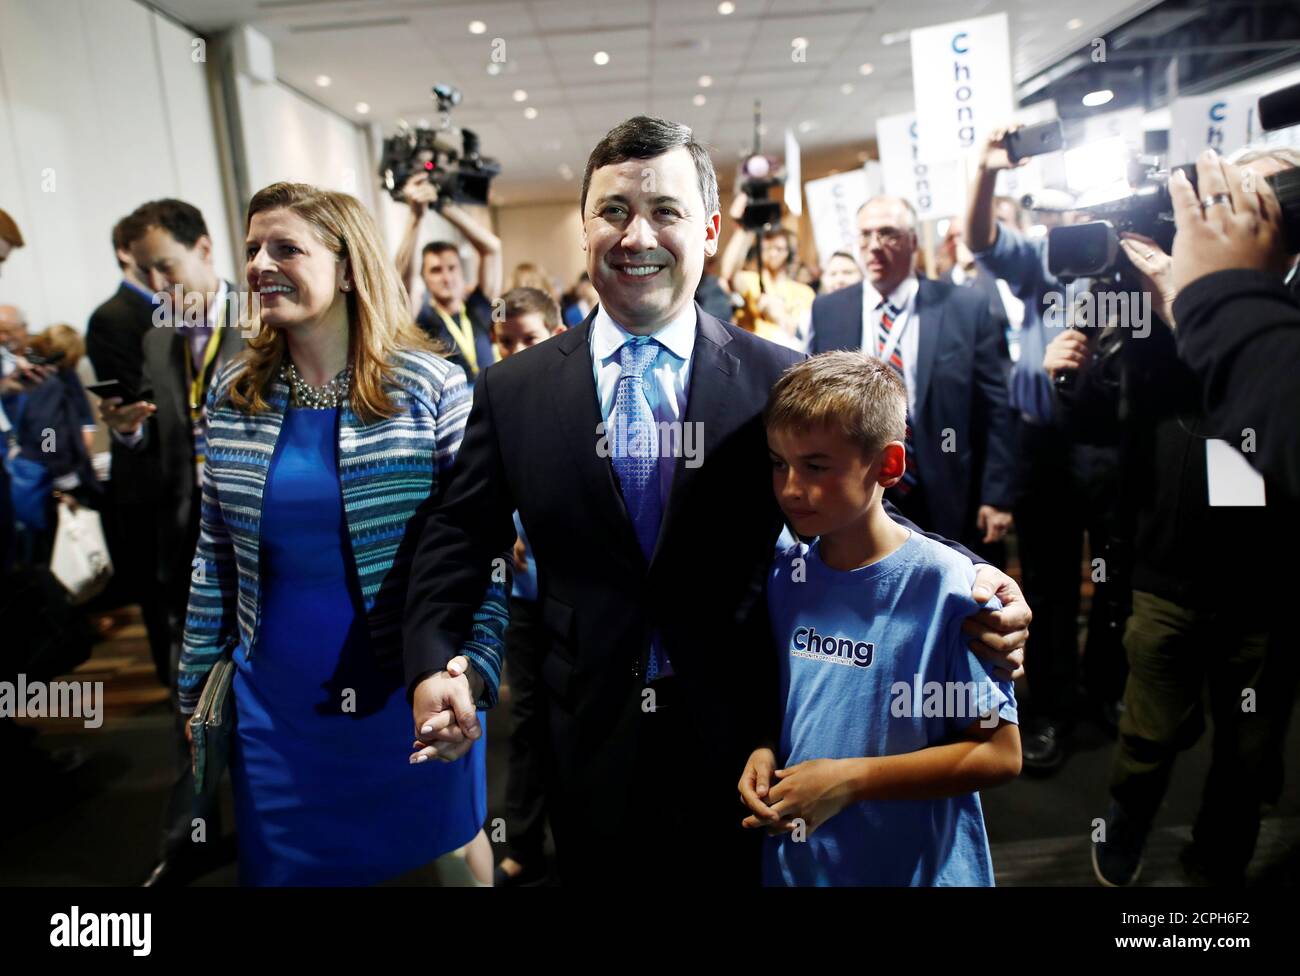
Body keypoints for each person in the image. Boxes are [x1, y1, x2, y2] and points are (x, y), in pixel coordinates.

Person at [402, 115, 1032, 887]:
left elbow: (847, 503)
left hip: (747, 740)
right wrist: (434, 659)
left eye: (664, 211)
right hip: (588, 731)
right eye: (614, 212)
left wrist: (974, 580)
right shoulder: (515, 389)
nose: (638, 236)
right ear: (584, 228)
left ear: (706, 228)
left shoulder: (774, 376)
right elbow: (457, 536)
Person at [179, 181, 508, 886]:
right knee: (287, 867)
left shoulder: (429, 387)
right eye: (252, 249)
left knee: (453, 847)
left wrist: (470, 669)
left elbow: (480, 551)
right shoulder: (233, 395)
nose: (261, 264)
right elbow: (213, 555)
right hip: (274, 698)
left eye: (286, 248)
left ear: (350, 266)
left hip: (408, 681)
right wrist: (192, 689)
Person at [744, 351, 1020, 885]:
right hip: (804, 865)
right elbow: (794, 705)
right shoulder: (783, 575)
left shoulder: (948, 586)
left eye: (816, 466)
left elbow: (999, 754)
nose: (791, 488)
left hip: (917, 867)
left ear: (888, 466)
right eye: (780, 464)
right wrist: (764, 748)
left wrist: (850, 780)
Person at [967, 126, 1129, 769]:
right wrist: (986, 171)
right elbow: (981, 240)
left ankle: (1107, 694)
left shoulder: (1143, 266)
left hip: (1117, 446)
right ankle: (1052, 709)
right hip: (1045, 445)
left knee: (1116, 583)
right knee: (1054, 587)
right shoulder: (1048, 258)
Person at [97, 198, 246, 887]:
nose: (158, 285)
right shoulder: (157, 337)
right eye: (145, 271)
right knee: (189, 697)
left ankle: (269, 827)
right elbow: (159, 447)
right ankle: (193, 836)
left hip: (256, 550)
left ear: (207, 249)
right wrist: (125, 430)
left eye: (168, 266)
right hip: (183, 547)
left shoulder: (265, 323)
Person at [808, 195, 1018, 562]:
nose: (874, 246)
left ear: (913, 242)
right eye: (865, 235)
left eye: (888, 234)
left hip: (949, 485)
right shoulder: (829, 310)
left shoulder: (964, 307)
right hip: (860, 487)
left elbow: (998, 407)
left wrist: (996, 495)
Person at [1165, 149, 1300, 498]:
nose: (1242, 221)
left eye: (1268, 202)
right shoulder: (1172, 299)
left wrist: (1219, 301)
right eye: (1233, 203)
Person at [491, 286, 565, 887]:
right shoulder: (493, 403)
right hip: (520, 597)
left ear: (557, 336)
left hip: (578, 598)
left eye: (529, 339)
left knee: (578, 717)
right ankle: (521, 837)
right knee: (527, 719)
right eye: (505, 341)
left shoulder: (579, 402)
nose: (516, 350)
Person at [85, 217, 172, 686]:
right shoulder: (113, 317)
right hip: (148, 482)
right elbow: (134, 406)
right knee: (161, 603)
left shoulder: (178, 308)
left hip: (178, 479)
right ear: (126, 252)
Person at [396, 172, 502, 384]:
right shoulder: (422, 318)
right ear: (424, 278)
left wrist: (441, 205)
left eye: (452, 268)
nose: (447, 277)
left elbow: (492, 248)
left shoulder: (479, 308)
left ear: (461, 272)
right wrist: (416, 216)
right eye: (436, 270)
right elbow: (402, 281)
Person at [10, 325, 99, 563]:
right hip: (54, 477)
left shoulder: (34, 376)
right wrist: (61, 476)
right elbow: (47, 431)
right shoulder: (48, 383)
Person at [721, 195, 815, 350]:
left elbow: (805, 335)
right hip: (752, 354)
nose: (773, 254)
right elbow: (728, 274)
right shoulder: (750, 279)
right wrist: (744, 229)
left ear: (789, 253)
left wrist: (779, 315)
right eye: (767, 248)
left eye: (779, 249)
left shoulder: (804, 292)